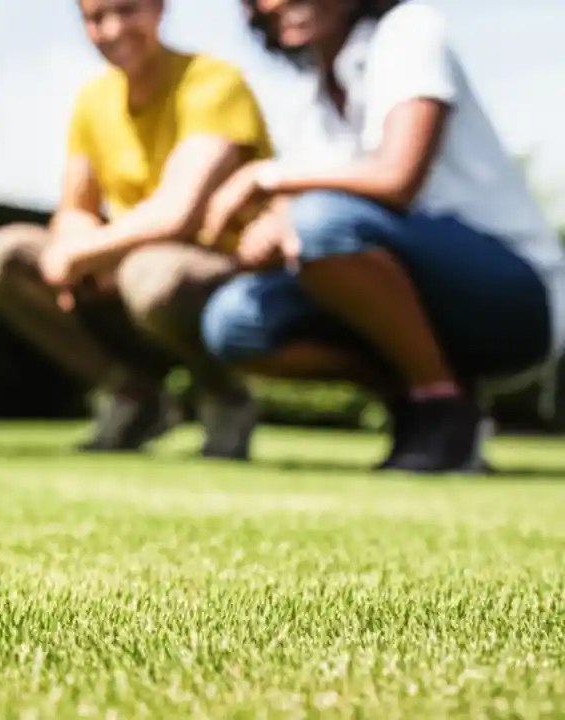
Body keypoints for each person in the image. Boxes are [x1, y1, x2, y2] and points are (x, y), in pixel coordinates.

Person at [199, 0, 565, 473]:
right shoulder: (308, 96)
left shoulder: (408, 31)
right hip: (414, 292)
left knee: (321, 223)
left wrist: (268, 180)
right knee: (235, 320)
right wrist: (269, 230)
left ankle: (443, 410)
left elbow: (396, 179)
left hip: (513, 295)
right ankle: (417, 393)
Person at [0, 0, 272, 457]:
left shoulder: (214, 83)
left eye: (127, 10)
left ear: (159, 9)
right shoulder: (94, 100)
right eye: (95, 18)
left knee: (150, 272)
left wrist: (90, 254)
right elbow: (74, 206)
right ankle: (133, 396)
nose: (112, 29)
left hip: (212, 273)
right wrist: (79, 246)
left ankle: (224, 394)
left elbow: (179, 213)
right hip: (124, 270)